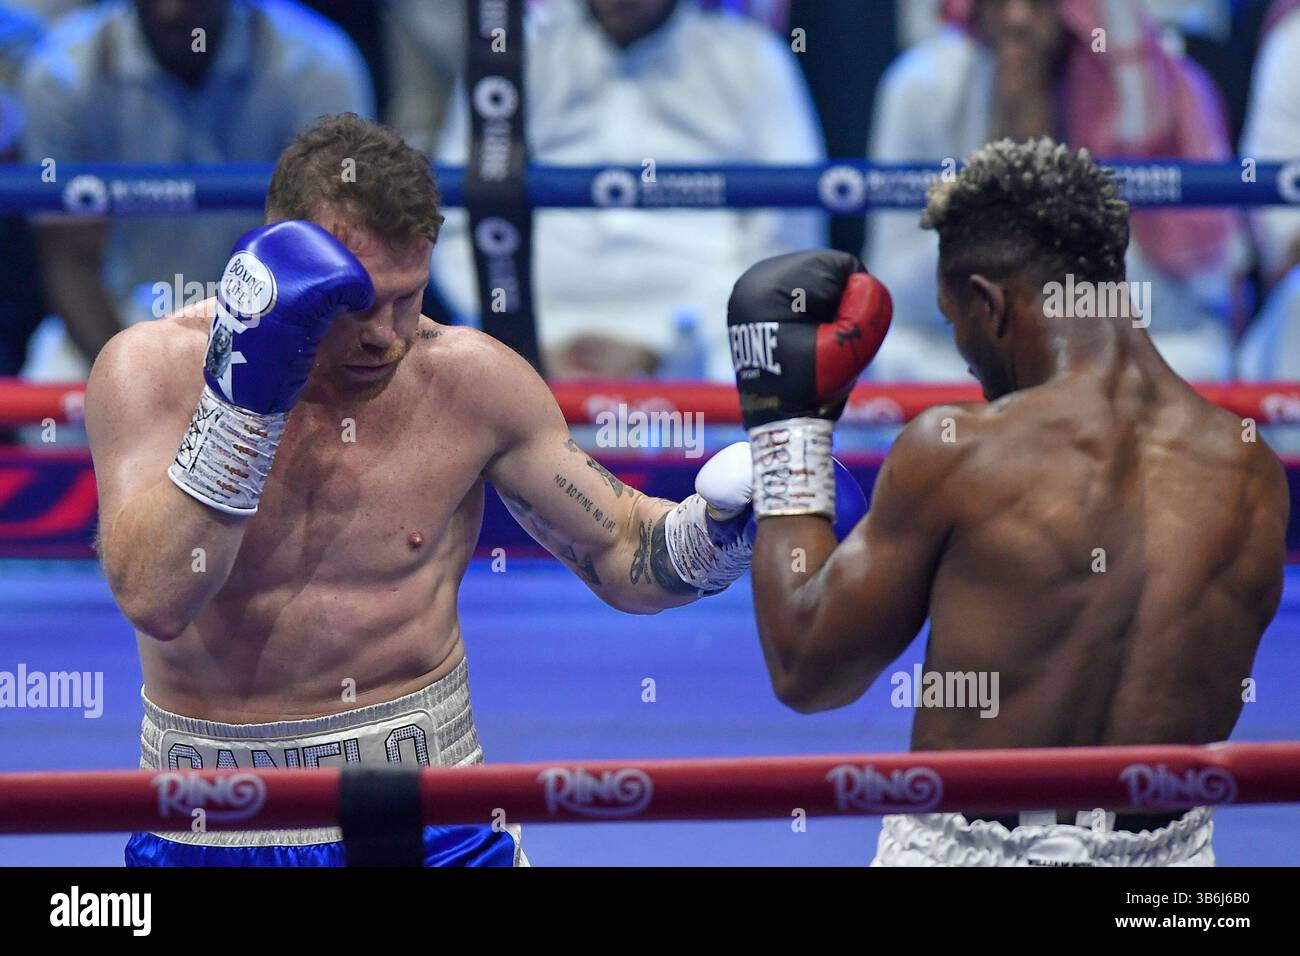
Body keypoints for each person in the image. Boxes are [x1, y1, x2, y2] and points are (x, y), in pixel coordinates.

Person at [85, 113, 869, 866]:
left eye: (408, 296)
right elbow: (156, 598)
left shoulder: (471, 384)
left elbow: (623, 548)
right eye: (356, 303)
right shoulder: (152, 371)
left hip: (436, 818)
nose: (385, 334)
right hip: (208, 823)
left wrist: (724, 529)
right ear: (276, 265)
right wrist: (243, 403)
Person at [727, 139, 1288, 866]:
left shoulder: (963, 453)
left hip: (965, 849)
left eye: (954, 320)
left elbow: (808, 666)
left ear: (989, 304)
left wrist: (788, 427)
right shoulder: (1251, 471)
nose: (964, 357)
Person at [430, 0, 825, 380]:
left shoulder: (752, 57)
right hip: (521, 339)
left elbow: (788, 237)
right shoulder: (511, 54)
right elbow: (453, 221)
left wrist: (672, 348)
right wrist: (520, 336)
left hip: (706, 350)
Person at [864, 0, 1246, 383]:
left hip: (1117, 345)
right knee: (895, 357)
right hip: (964, 346)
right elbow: (893, 286)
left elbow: (1209, 287)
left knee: (1199, 362)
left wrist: (1051, 293)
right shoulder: (921, 86)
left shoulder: (1159, 90)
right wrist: (995, 201)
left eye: (1039, 2)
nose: (1017, 18)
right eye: (1000, 1)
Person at [18, 0, 373, 376]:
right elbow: (70, 261)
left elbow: (334, 246)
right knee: (50, 388)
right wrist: (132, 376)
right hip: (123, 315)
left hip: (275, 315)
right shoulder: (61, 73)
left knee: (349, 379)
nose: (171, 11)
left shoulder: (315, 63)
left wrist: (263, 357)